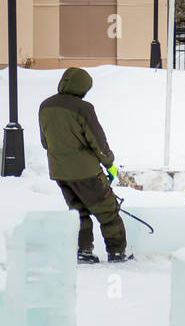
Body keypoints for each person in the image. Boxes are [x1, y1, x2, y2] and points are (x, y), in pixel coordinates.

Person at [38, 67, 130, 263]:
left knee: (79, 212)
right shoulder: (83, 108)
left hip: (60, 172)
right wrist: (109, 162)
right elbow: (97, 141)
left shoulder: (45, 106)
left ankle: (83, 251)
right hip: (86, 173)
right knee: (107, 211)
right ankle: (116, 252)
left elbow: (45, 142)